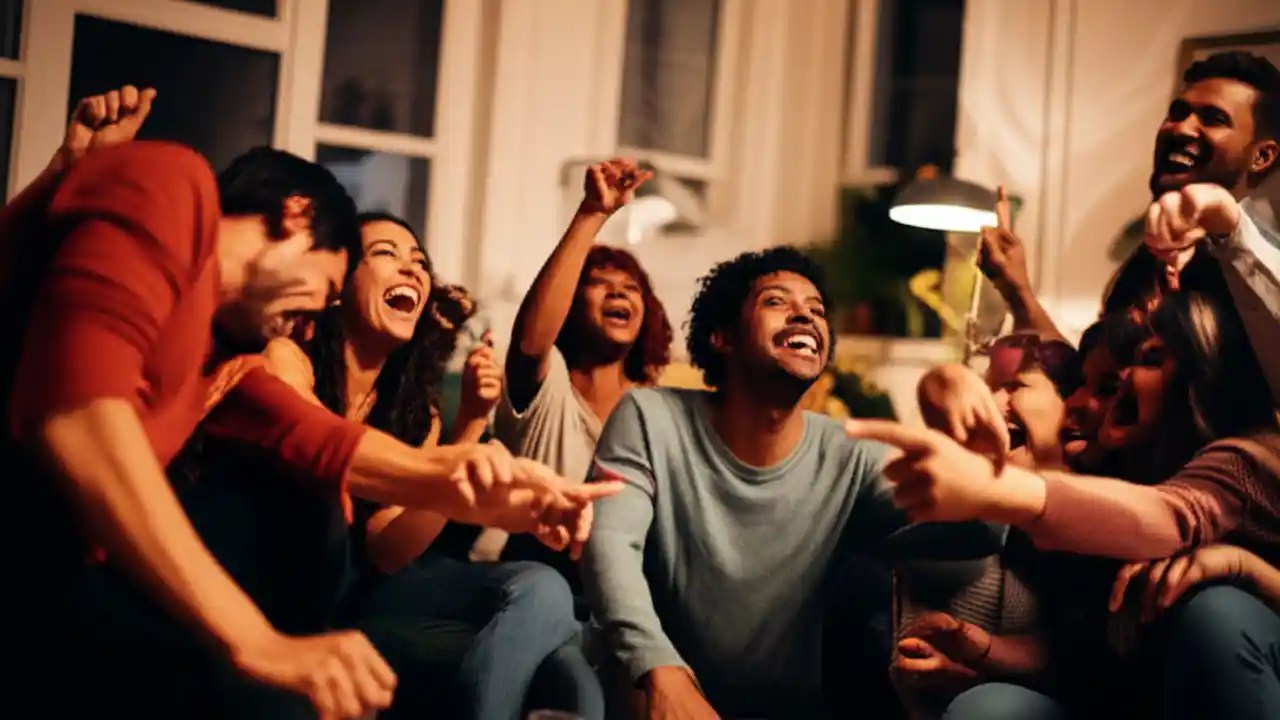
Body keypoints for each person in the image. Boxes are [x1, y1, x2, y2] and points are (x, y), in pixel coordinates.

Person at [5, 86, 615, 719]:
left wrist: (485, 484)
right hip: (42, 570)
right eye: (332, 279)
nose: (315, 314)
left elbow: (323, 442)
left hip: (69, 585)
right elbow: (77, 417)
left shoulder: (222, 356)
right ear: (297, 216)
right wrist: (257, 641)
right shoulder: (176, 184)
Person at [582, 247, 1005, 718]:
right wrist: (659, 668)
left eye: (817, 309)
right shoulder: (648, 417)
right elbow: (610, 543)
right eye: (776, 301)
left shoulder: (851, 454)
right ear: (722, 336)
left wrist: (977, 453)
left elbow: (976, 534)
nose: (805, 314)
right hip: (650, 699)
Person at [854, 286, 1280, 719]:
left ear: (1200, 378)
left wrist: (1244, 568)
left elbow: (1170, 515)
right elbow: (1084, 660)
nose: (1089, 401)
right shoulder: (1113, 480)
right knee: (988, 708)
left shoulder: (1245, 462)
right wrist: (978, 651)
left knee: (1216, 611)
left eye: (1144, 364)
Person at [262, 212, 603, 719]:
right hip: (296, 584)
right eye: (385, 254)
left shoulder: (415, 408)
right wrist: (463, 466)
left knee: (560, 636)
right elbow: (318, 449)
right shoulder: (288, 360)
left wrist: (469, 426)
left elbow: (389, 549)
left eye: (419, 261)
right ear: (338, 280)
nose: (411, 270)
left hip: (376, 583)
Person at [980, 52, 1280, 401]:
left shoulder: (1256, 261)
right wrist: (1017, 290)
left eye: (1213, 119)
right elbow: (1094, 385)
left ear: (1262, 157)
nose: (1181, 127)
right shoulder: (1149, 257)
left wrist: (1229, 226)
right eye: (1179, 112)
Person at [487, 158, 672, 578]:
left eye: (631, 288)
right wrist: (593, 213)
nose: (618, 291)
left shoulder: (657, 407)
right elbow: (531, 343)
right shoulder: (548, 380)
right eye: (600, 282)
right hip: (535, 570)